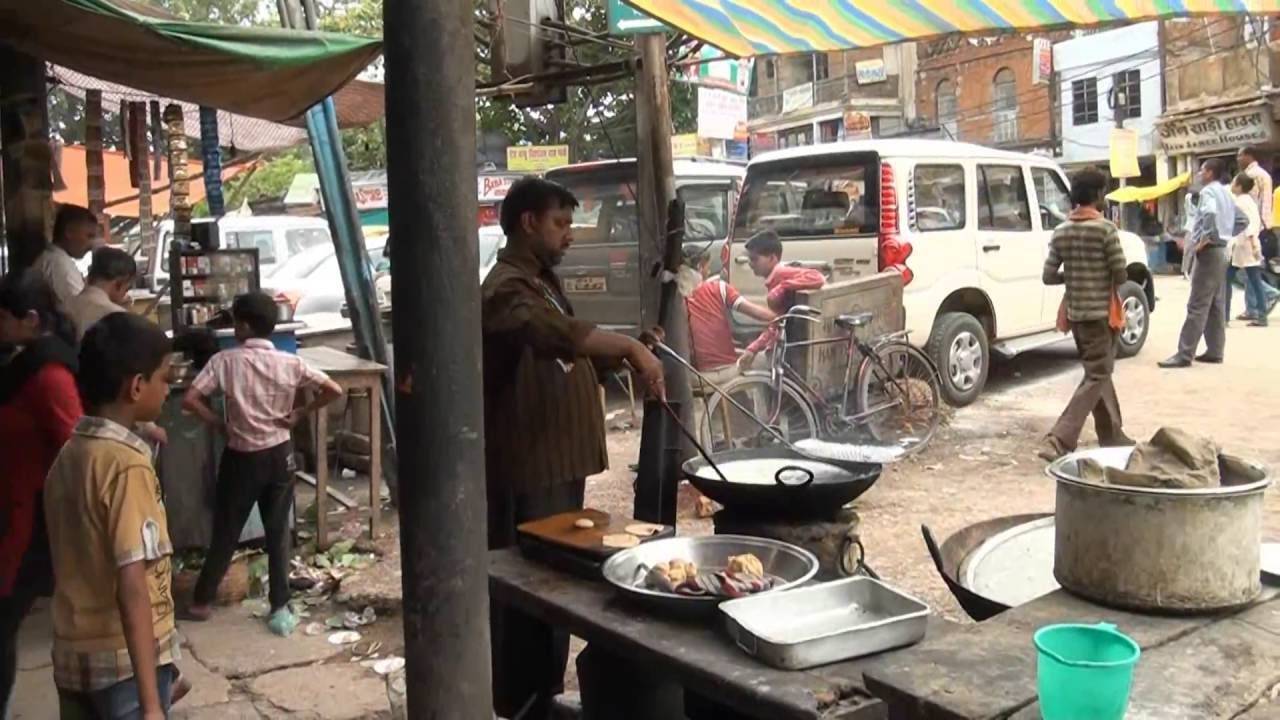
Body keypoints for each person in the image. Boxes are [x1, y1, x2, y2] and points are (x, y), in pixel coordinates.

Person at [481, 177, 664, 720]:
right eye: (560, 224)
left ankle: (541, 696)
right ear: (527, 223)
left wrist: (631, 348)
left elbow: (570, 354)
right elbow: (556, 336)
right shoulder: (506, 288)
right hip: (527, 465)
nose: (569, 237)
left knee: (554, 586)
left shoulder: (541, 281)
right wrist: (627, 345)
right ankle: (519, 704)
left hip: (556, 463)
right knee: (526, 591)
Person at [181, 292, 342, 635]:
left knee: (226, 531)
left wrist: (217, 423)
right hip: (280, 456)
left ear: (243, 325)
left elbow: (191, 399)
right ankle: (280, 603)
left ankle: (201, 601)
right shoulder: (290, 363)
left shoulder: (225, 362)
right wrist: (300, 412)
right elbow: (333, 390)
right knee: (278, 531)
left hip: (241, 456)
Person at [42, 313, 173, 719]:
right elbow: (132, 585)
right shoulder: (126, 465)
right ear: (136, 386)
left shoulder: (72, 452)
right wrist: (152, 705)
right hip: (124, 667)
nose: (168, 390)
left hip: (74, 657)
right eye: (165, 378)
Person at [0, 271, 82, 717]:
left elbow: (76, 447)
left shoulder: (49, 373)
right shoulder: (25, 360)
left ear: (30, 319)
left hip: (28, 518)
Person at [1037, 168, 1133, 462]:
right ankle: (1059, 439)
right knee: (1098, 374)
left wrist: (1076, 276)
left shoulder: (1061, 231)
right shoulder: (1105, 230)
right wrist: (1097, 275)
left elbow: (1049, 276)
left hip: (1076, 316)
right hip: (1102, 316)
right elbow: (1121, 273)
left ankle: (1112, 435)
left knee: (1099, 372)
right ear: (1098, 196)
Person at [1160, 159, 1235, 369]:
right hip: (1222, 251)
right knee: (1216, 304)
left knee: (1198, 304)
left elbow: (1210, 214)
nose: (1200, 174)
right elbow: (1242, 220)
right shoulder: (1227, 193)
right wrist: (1225, 235)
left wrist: (1206, 240)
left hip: (1210, 252)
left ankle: (1184, 354)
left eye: (1202, 170)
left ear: (1210, 173)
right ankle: (1215, 351)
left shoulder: (1208, 192)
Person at [735, 230, 826, 370]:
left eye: (755, 259)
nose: (751, 264)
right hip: (783, 340)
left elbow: (818, 277)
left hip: (788, 345)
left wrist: (783, 286)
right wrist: (754, 348)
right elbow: (777, 321)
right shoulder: (774, 276)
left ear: (772, 258)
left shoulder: (780, 273)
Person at [1238, 147, 1280, 317]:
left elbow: (1258, 204)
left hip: (1254, 229)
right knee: (1249, 269)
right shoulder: (1260, 174)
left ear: (1249, 156)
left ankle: (1268, 294)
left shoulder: (1254, 175)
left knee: (1248, 269)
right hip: (1257, 227)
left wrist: (1259, 227)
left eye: (1240, 155)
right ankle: (1252, 307)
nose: (1238, 158)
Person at [33, 204, 98, 309]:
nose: (92, 244)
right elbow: (81, 310)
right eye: (89, 236)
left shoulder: (55, 259)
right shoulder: (58, 263)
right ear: (69, 232)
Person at [1227, 174, 1269, 327]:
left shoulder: (1240, 202)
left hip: (1244, 245)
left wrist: (1253, 243)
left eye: (1234, 182)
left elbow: (1248, 225)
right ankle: (1261, 315)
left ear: (1239, 186)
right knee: (1254, 281)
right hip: (1247, 245)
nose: (1232, 185)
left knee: (1227, 280)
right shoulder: (1249, 201)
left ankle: (1224, 317)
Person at [71, 247, 137, 340]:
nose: (125, 295)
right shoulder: (116, 317)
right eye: (127, 289)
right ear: (119, 283)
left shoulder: (67, 306)